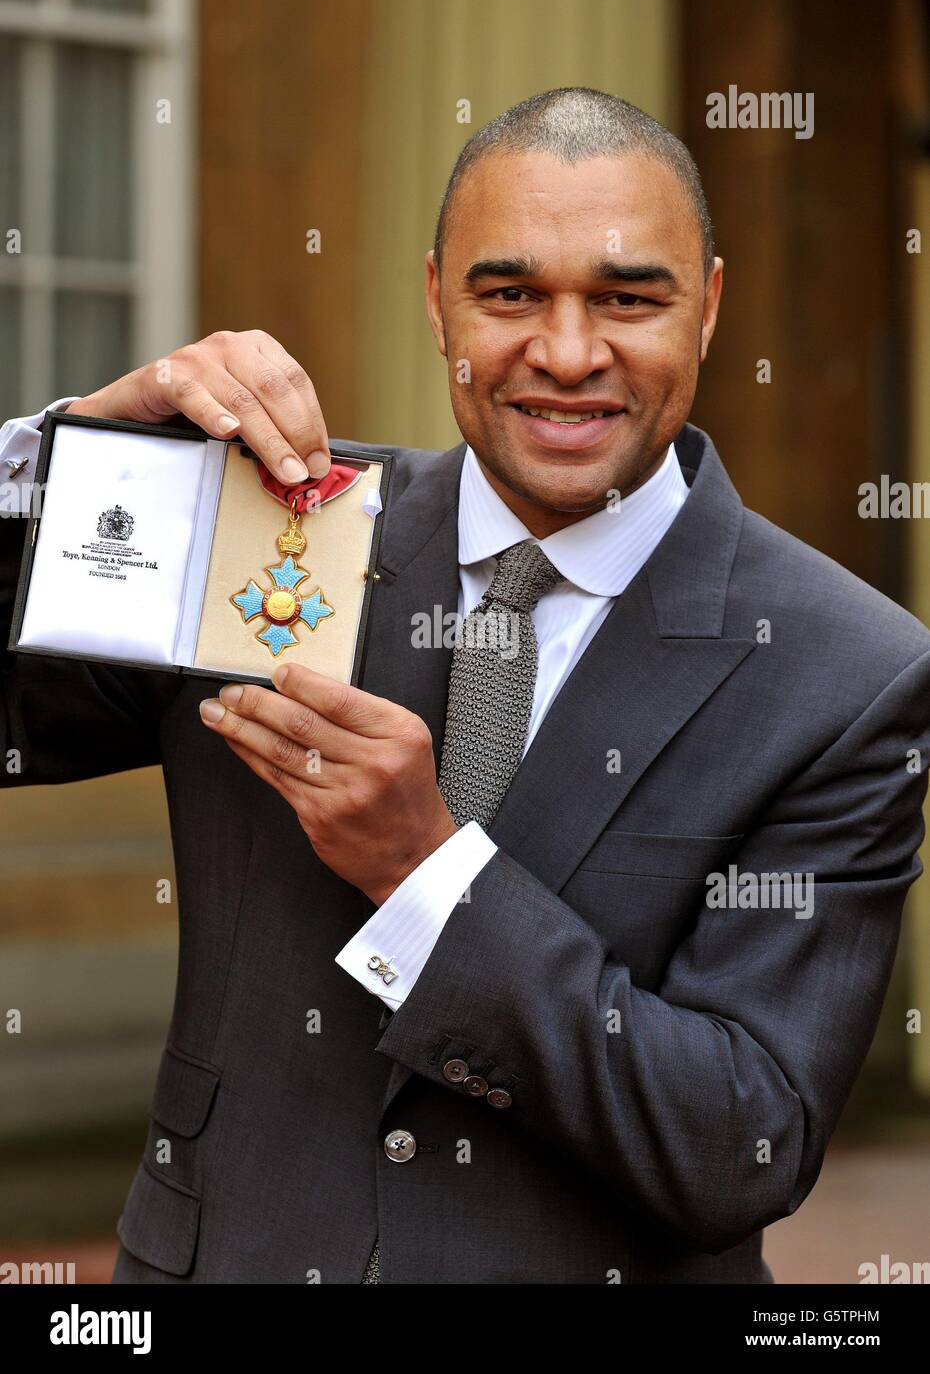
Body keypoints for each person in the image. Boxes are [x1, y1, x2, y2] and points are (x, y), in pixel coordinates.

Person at [2, 87, 928, 1285]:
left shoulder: (850, 674)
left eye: (628, 297)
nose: (567, 351)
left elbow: (739, 1143)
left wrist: (427, 873)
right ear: (437, 296)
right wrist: (68, 472)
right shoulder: (261, 523)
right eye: (510, 294)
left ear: (710, 309)